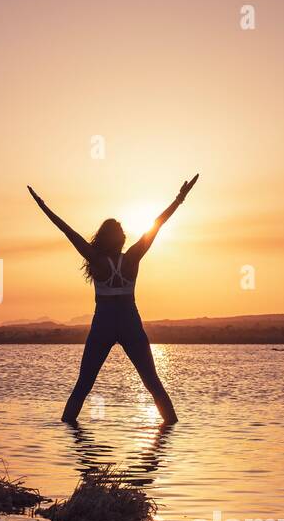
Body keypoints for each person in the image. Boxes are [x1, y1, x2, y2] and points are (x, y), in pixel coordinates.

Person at [27, 174, 199, 425]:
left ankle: (67, 429)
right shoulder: (132, 258)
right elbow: (157, 224)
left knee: (83, 385)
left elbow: (67, 231)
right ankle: (170, 428)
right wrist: (179, 199)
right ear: (119, 239)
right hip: (129, 324)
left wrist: (43, 207)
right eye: (120, 232)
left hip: (104, 325)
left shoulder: (96, 260)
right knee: (152, 384)